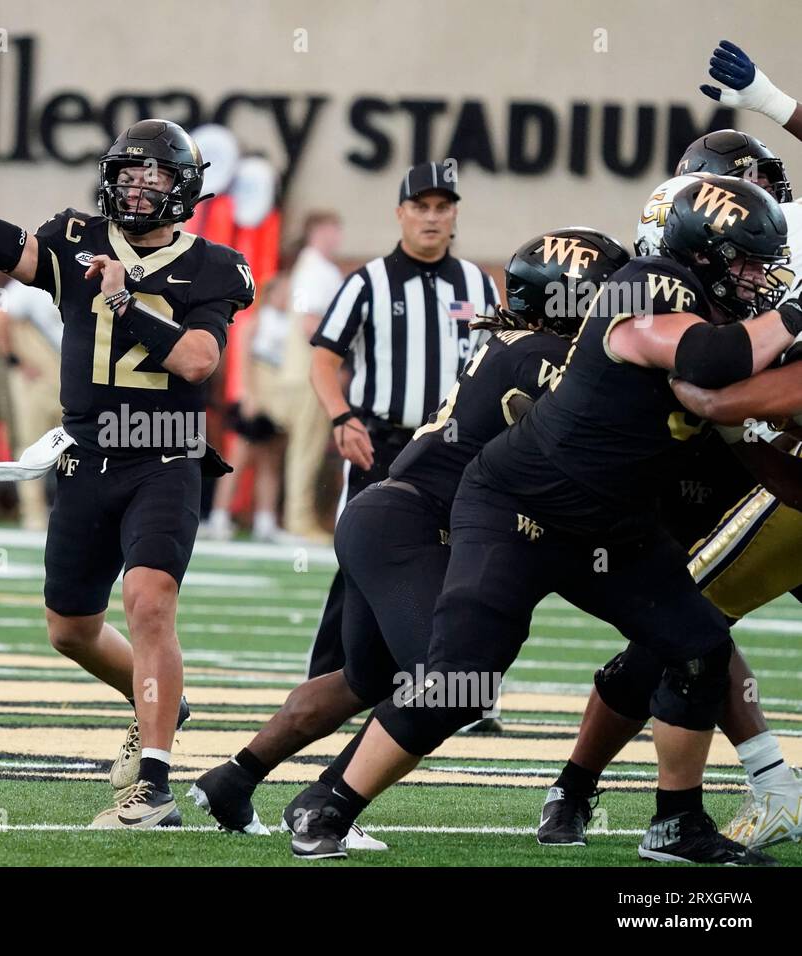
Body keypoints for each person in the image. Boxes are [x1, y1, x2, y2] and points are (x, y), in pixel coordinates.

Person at [289, 175, 796, 865]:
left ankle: (678, 823)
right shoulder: (650, 284)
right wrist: (796, 315)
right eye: (743, 259)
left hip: (613, 525)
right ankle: (331, 805)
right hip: (522, 508)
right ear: (700, 255)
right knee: (460, 680)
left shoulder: (706, 302)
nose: (758, 276)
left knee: (699, 644)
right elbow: (708, 371)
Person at [0, 115, 254, 828]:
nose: (135, 187)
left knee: (151, 604)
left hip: (165, 453)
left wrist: (125, 300)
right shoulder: (76, 239)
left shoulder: (211, 265)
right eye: (126, 174)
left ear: (182, 188)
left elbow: (197, 361)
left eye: (152, 175)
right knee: (69, 627)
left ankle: (152, 788)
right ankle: (161, 697)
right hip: (87, 454)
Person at [189, 229, 629, 844]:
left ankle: (233, 779)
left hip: (391, 515)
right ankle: (324, 803)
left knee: (363, 680)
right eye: (610, 297)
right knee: (452, 683)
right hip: (416, 525)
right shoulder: (546, 358)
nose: (623, 313)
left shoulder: (519, 341)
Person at [537, 121, 802, 849]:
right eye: (748, 197)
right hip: (684, 464)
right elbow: (704, 387)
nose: (769, 211)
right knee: (678, 633)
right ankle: (580, 786)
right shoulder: (660, 276)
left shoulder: (764, 256)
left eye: (771, 192)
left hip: (764, 452)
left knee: (688, 631)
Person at [303, 163, 501, 687]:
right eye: (421, 206)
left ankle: (464, 685)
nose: (431, 217)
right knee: (359, 561)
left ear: (454, 214)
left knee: (465, 564)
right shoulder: (367, 281)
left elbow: (498, 364)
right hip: (383, 442)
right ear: (400, 213)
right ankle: (329, 681)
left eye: (442, 207)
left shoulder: (479, 284)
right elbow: (324, 357)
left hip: (455, 450)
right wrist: (342, 417)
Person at [203, 270, 292, 542]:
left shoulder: (290, 323)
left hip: (277, 398)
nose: (287, 297)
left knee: (270, 461)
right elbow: (242, 360)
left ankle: (265, 520)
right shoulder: (255, 321)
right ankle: (219, 516)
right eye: (282, 292)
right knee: (238, 459)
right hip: (255, 395)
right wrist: (247, 394)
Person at [0, 279, 64, 530]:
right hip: (39, 375)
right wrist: (16, 361)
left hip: (74, 372)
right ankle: (33, 515)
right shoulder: (26, 286)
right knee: (31, 445)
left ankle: (72, 515)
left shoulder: (83, 274)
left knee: (78, 448)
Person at [279, 213, 344, 542]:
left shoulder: (314, 267)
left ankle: (298, 515)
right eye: (332, 229)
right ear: (316, 232)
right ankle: (298, 518)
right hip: (310, 371)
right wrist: (342, 349)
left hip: (303, 369)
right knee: (307, 447)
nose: (337, 237)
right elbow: (309, 323)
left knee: (307, 446)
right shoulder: (316, 269)